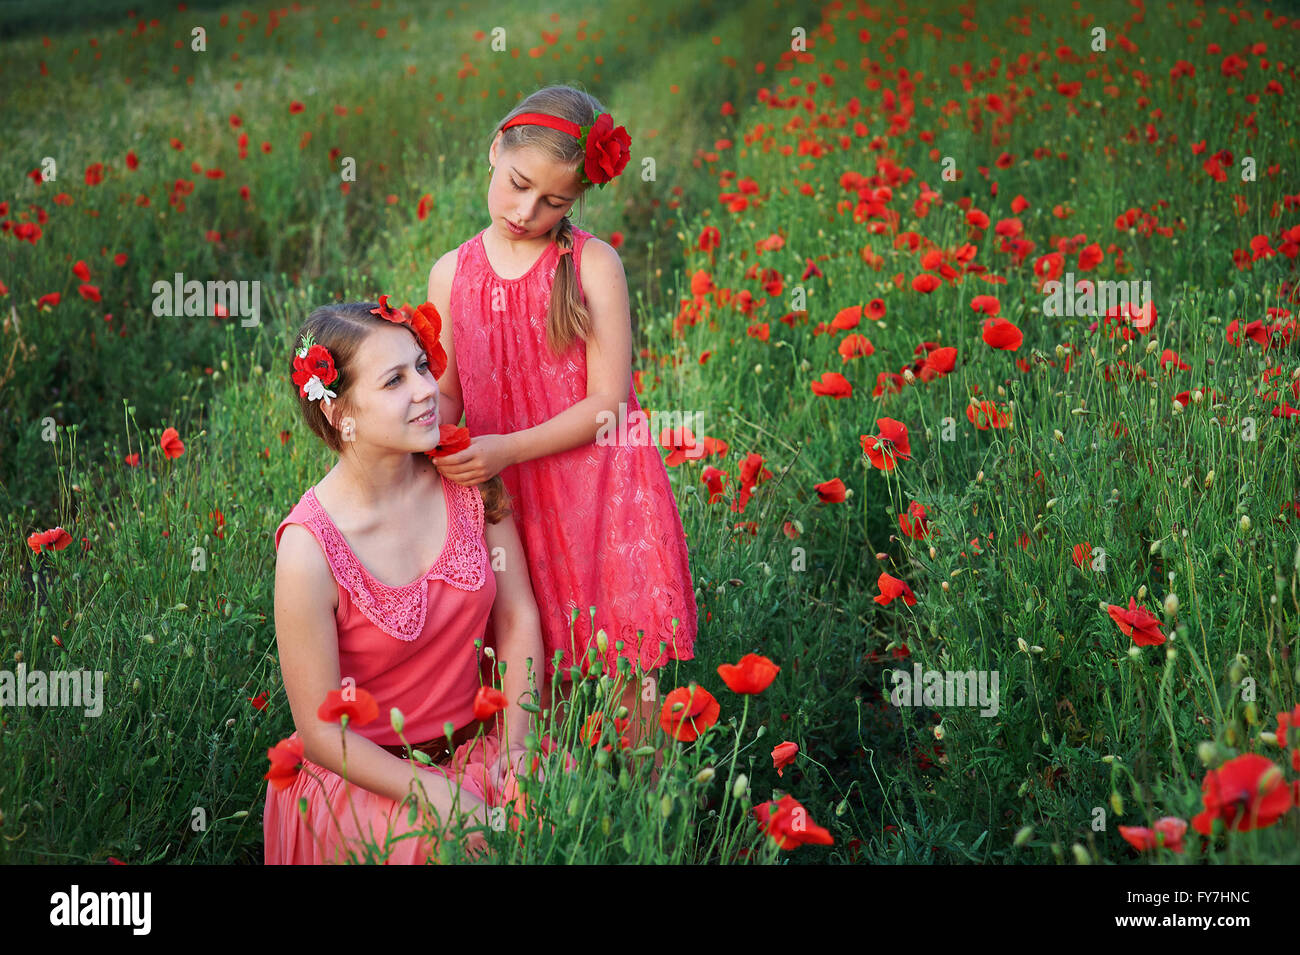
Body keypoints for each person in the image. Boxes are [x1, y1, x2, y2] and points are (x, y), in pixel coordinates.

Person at [425, 84, 700, 754]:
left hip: (600, 491)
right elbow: (450, 395)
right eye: (518, 185)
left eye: (554, 201)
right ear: (495, 150)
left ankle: (655, 824)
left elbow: (610, 405)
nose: (527, 210)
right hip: (507, 498)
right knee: (531, 675)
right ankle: (547, 817)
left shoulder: (592, 266)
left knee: (628, 686)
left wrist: (502, 449)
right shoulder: (450, 275)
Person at [264, 299, 544, 864]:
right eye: (394, 380)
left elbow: (517, 617)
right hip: (372, 779)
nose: (425, 389)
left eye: (422, 366)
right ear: (340, 413)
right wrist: (439, 796)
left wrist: (517, 752)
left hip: (484, 745)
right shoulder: (310, 549)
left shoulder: (465, 478)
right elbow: (322, 734)